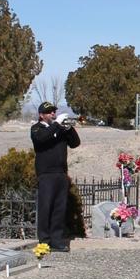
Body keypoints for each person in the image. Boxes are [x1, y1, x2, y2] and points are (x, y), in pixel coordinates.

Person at [30, 102, 80, 251]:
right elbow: (42, 139)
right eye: (49, 112)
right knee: (46, 208)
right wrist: (57, 124)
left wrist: (69, 129)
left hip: (61, 174)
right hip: (46, 175)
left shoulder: (59, 129)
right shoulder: (36, 129)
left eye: (54, 111)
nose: (53, 114)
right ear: (41, 115)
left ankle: (57, 240)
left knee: (59, 208)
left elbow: (75, 143)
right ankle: (44, 241)